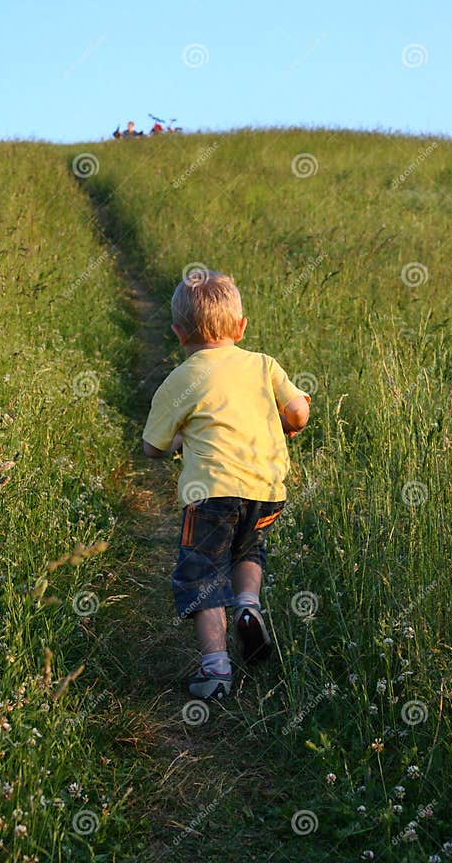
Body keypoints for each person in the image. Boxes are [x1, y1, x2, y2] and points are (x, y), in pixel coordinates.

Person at [142, 271, 311, 700]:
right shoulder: (262, 364)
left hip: (211, 493)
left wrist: (181, 438)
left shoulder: (181, 379)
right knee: (248, 550)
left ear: (179, 334)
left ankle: (215, 669)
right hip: (267, 489)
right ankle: (248, 605)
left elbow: (152, 448)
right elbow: (298, 411)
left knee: (202, 571)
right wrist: (289, 421)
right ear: (241, 328)